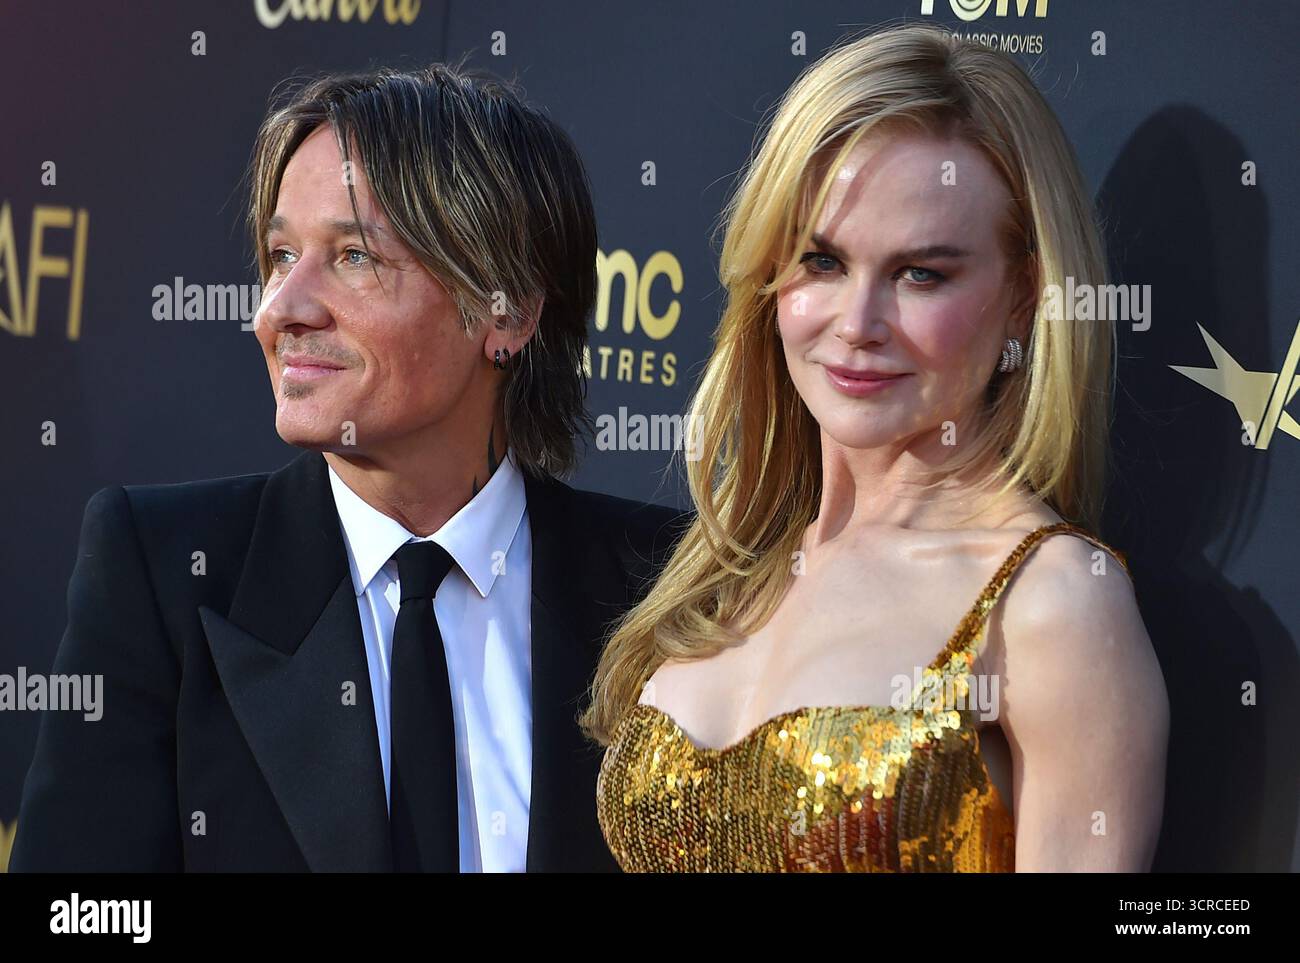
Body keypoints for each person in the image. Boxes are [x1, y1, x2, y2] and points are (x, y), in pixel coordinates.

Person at [11, 63, 684, 872]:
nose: (279, 310)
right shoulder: (163, 578)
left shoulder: (666, 593)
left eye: (355, 256)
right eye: (281, 254)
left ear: (507, 310)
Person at [586, 23, 1169, 872]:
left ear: (1023, 299)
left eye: (920, 274)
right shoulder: (725, 570)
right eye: (821, 261)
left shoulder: (1054, 606)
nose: (856, 325)